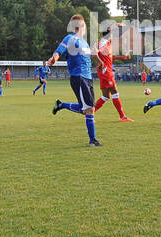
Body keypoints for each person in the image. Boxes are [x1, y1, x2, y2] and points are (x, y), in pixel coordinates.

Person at [48, 14, 102, 146]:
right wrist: (54, 58)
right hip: (78, 77)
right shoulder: (70, 38)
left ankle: (62, 105)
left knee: (89, 109)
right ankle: (92, 140)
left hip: (88, 77)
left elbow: (90, 55)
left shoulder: (84, 43)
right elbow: (59, 50)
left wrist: (99, 61)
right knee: (89, 109)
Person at [92, 28, 132, 121]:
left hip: (104, 71)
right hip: (106, 72)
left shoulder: (107, 44)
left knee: (106, 96)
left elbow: (110, 57)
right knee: (115, 92)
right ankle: (122, 116)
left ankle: (90, 114)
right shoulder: (103, 43)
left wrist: (123, 57)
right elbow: (94, 53)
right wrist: (100, 62)